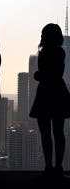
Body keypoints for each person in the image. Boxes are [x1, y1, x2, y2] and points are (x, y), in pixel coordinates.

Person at [29, 23, 70, 176]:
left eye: (43, 34)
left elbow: (49, 74)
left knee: (47, 133)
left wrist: (39, 75)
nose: (41, 36)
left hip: (46, 94)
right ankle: (57, 166)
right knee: (57, 132)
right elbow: (56, 73)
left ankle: (49, 166)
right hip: (57, 94)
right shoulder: (59, 52)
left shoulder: (46, 52)